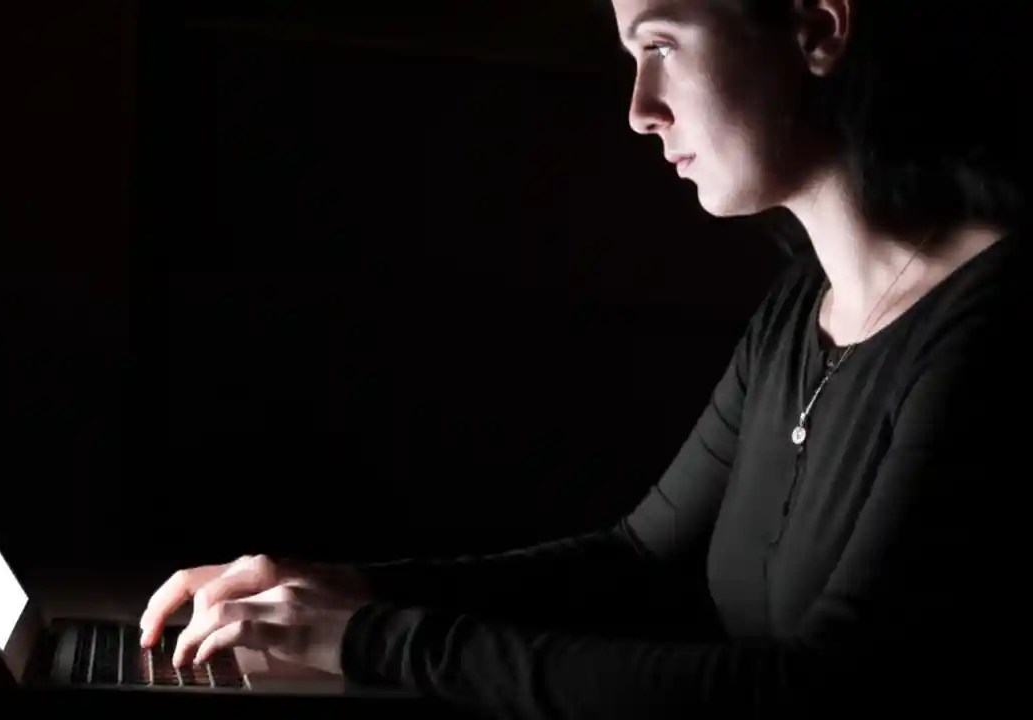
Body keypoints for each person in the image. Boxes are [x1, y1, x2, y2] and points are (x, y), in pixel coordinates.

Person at [140, 1, 1032, 717]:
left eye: (662, 44)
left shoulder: (997, 325)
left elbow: (812, 692)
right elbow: (636, 563)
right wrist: (343, 592)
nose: (641, 109)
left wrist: (371, 639)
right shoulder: (799, 310)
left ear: (816, 30)